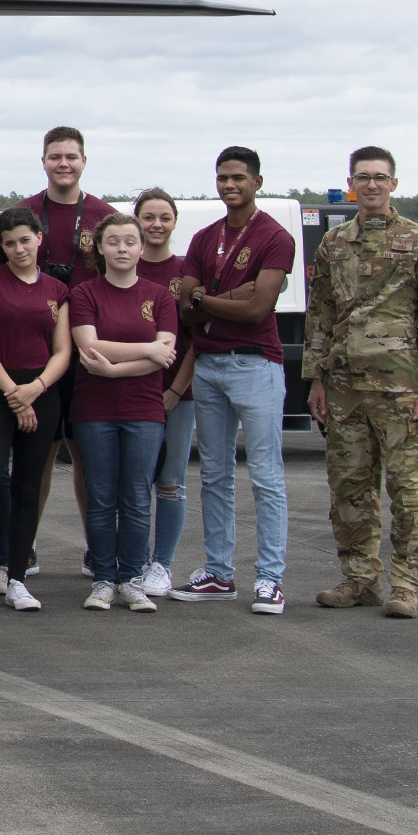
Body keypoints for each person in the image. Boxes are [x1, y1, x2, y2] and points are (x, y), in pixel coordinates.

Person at [306, 147, 418, 616]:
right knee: (349, 489)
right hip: (345, 389)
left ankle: (406, 586)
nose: (371, 185)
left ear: (393, 183)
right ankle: (360, 580)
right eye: (363, 177)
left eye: (379, 177)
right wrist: (316, 379)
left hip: (403, 390)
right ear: (351, 182)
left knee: (408, 492)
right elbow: (321, 314)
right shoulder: (333, 243)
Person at [166, 148, 296, 612]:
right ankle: (219, 573)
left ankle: (270, 579)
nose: (229, 185)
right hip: (210, 364)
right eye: (222, 177)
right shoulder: (203, 237)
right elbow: (183, 307)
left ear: (257, 182)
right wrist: (216, 297)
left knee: (265, 475)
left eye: (238, 177)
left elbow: (259, 309)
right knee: (215, 474)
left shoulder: (275, 238)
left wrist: (202, 297)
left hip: (255, 364)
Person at [67, 209, 177, 611]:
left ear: (141, 246)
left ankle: (132, 579)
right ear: (100, 247)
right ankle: (102, 580)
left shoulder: (160, 296)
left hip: (145, 410)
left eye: (130, 241)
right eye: (113, 241)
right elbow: (89, 345)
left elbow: (164, 355)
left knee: (136, 497)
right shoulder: (84, 294)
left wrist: (114, 371)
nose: (122, 248)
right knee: (100, 497)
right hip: (94, 410)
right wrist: (146, 349)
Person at [0, 204, 68, 613]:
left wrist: (36, 388)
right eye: (9, 243)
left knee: (28, 487)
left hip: (43, 394)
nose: (19, 249)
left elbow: (62, 351)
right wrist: (14, 392)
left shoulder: (57, 290)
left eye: (25, 240)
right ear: (0, 247)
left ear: (39, 239)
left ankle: (17, 577)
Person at [129, 186, 196, 602]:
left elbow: (194, 340)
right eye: (148, 218)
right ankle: (131, 561)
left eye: (164, 218)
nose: (156, 225)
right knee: (131, 483)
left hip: (175, 396)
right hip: (128, 392)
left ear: (174, 222)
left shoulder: (187, 271)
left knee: (170, 482)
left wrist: (175, 390)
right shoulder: (120, 265)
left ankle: (162, 564)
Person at [23, 128, 113, 286]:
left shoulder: (107, 217)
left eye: (71, 157)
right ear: (43, 161)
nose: (63, 164)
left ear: (83, 161)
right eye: (55, 157)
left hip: (89, 309)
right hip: (32, 308)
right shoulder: (22, 213)